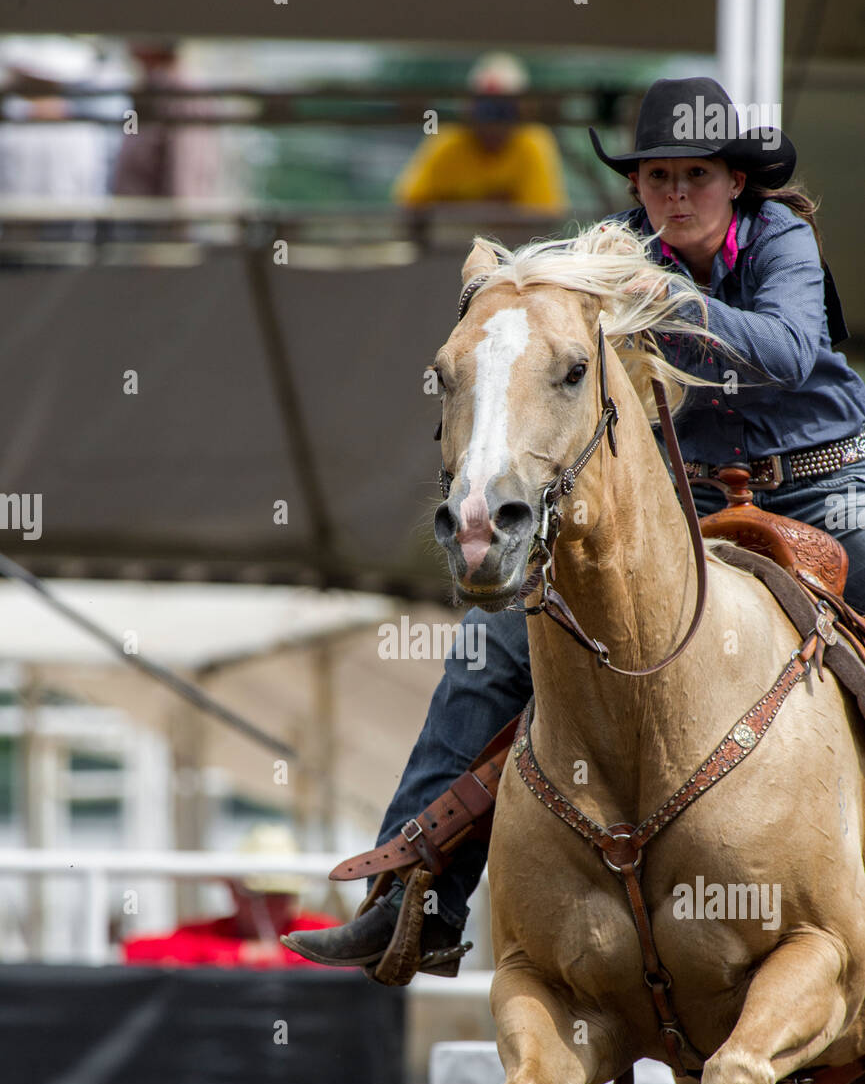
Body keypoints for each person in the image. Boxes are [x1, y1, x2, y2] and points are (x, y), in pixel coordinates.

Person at [286, 76, 865, 972]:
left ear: (735, 182)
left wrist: (650, 294)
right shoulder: (613, 262)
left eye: (696, 175)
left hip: (827, 490)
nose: (676, 194)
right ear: (635, 187)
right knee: (491, 659)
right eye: (657, 176)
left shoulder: (776, 239)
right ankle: (419, 894)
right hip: (688, 507)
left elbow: (789, 350)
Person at [123, 824, 337, 969]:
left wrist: (278, 956)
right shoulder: (213, 934)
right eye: (260, 896)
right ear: (233, 891)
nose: (273, 905)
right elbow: (136, 950)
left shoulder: (315, 931)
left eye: (282, 894)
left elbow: (347, 958)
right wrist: (242, 954)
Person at [393, 52, 568, 214]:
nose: (493, 124)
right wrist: (498, 207)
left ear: (522, 111)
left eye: (503, 110)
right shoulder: (448, 143)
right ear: (469, 108)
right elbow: (410, 206)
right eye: (485, 109)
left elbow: (543, 217)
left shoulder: (533, 143)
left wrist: (457, 205)